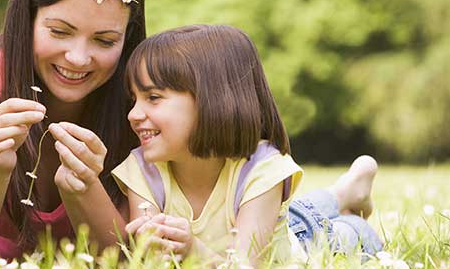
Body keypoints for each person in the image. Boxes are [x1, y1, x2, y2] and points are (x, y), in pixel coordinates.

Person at [113, 25, 382, 265]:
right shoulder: (143, 169)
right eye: (134, 99)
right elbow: (148, 259)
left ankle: (348, 193)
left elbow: (245, 265)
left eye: (153, 97)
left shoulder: (262, 169)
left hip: (299, 242)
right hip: (275, 219)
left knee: (340, 232)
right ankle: (344, 191)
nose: (133, 114)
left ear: (213, 100)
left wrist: (193, 250)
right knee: (298, 212)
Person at [0, 0, 148, 258]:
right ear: (29, 17)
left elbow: (134, 261)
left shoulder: (141, 101)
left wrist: (85, 190)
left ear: (128, 37)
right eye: (60, 32)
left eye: (105, 41)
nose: (78, 57)